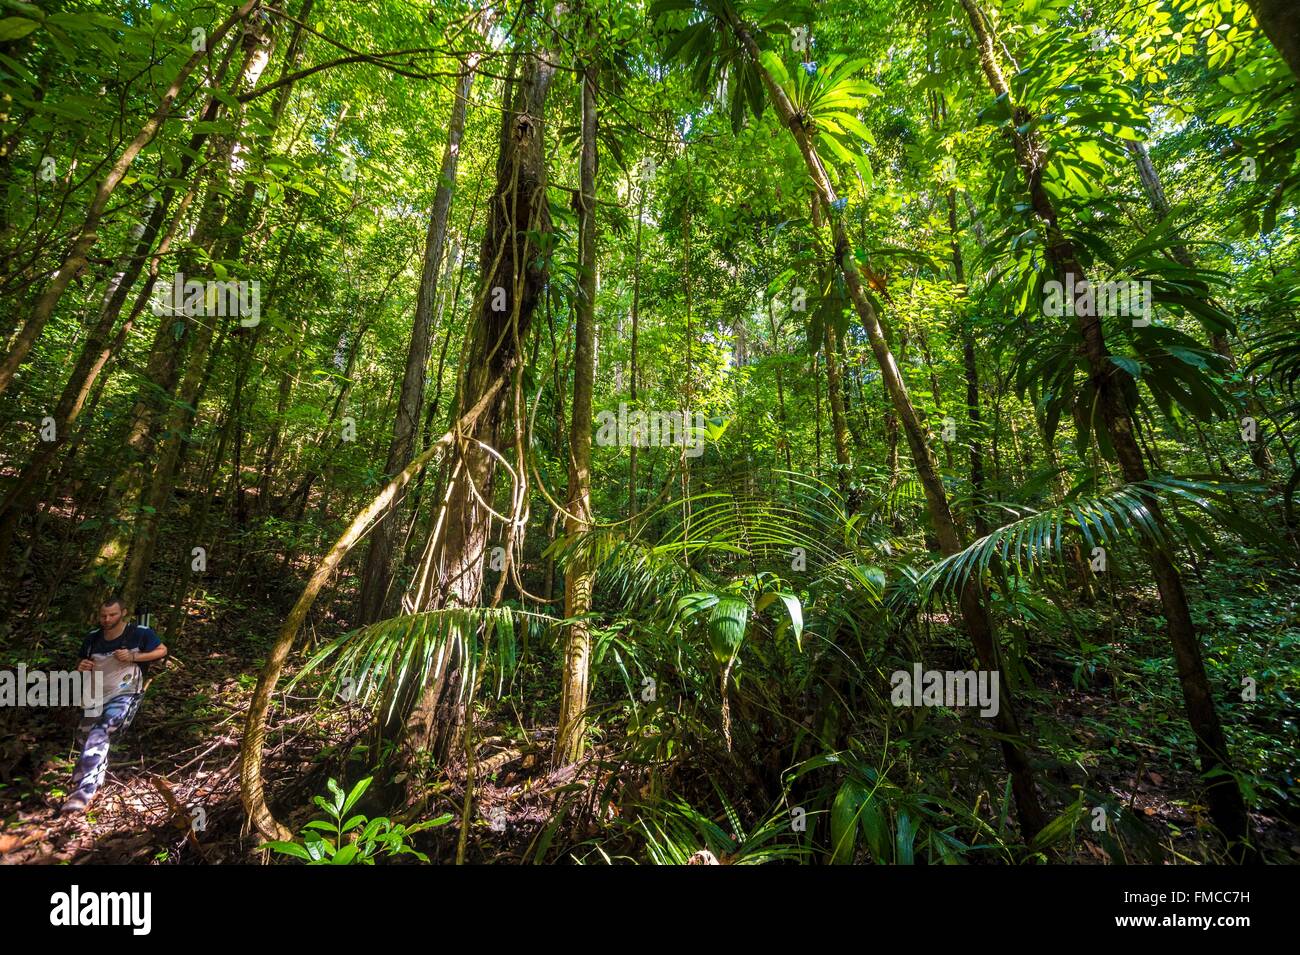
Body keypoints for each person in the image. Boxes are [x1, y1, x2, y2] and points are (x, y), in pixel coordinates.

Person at [61, 596, 167, 815]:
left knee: (100, 733)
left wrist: (134, 656)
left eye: (112, 615)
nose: (107, 619)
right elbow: (80, 661)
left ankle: (84, 792)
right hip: (95, 694)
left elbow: (162, 651)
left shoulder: (140, 633)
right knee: (85, 737)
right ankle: (90, 778)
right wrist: (81, 665)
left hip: (126, 693)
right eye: (103, 615)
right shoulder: (92, 638)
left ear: (124, 613)